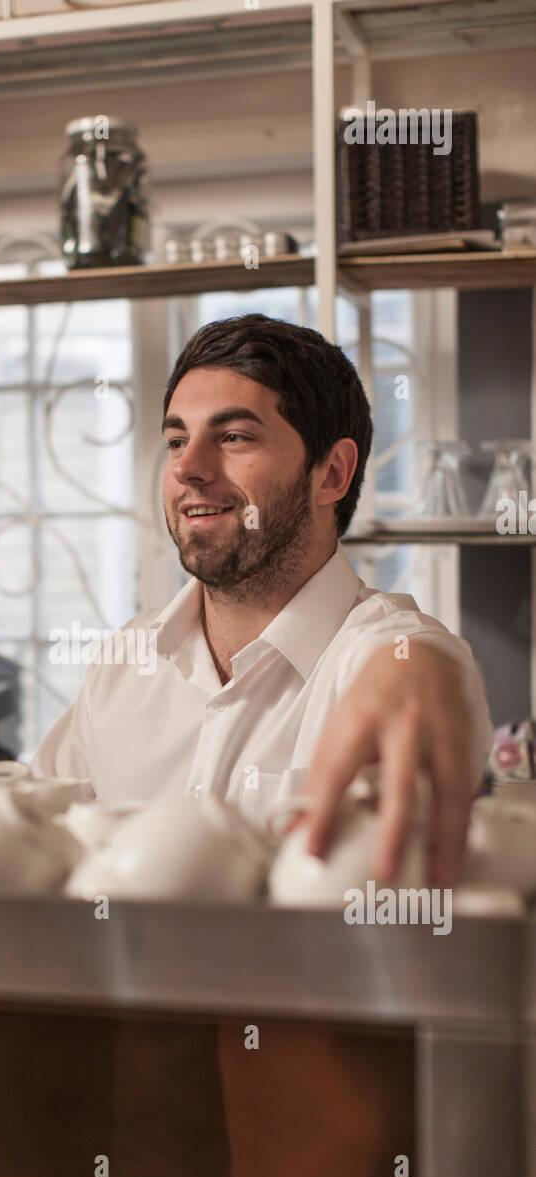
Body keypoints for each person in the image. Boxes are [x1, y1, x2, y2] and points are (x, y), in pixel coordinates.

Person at [33, 313, 493, 883]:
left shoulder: (382, 652)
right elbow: (35, 826)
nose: (187, 468)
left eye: (233, 437)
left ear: (332, 473)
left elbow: (423, 666)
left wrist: (425, 670)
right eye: (177, 439)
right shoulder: (122, 663)